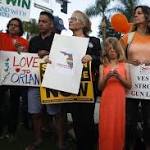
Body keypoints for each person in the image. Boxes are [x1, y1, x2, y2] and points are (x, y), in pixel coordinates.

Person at [26, 11, 66, 150]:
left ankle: (61, 142)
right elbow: (27, 60)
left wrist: (49, 54)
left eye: (44, 21)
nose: (41, 24)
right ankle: (38, 140)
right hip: (34, 81)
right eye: (40, 21)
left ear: (51, 24)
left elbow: (65, 59)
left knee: (56, 113)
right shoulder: (33, 40)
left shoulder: (59, 40)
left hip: (53, 81)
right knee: (35, 112)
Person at [63, 10, 101, 150]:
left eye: (74, 19)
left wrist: (93, 58)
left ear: (83, 23)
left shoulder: (94, 41)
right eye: (70, 19)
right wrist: (50, 59)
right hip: (70, 86)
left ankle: (90, 145)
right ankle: (80, 145)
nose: (70, 21)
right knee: (76, 119)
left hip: (88, 86)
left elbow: (102, 59)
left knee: (88, 119)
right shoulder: (64, 41)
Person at [120, 5, 150, 150]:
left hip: (148, 86)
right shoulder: (127, 37)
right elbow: (117, 58)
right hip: (130, 83)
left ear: (147, 17)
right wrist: (128, 61)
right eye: (135, 13)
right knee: (129, 120)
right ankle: (129, 145)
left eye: (139, 13)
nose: (135, 15)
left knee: (149, 120)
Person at [98, 37, 132, 150]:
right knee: (106, 126)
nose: (112, 51)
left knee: (118, 125)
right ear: (106, 51)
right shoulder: (103, 66)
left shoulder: (125, 66)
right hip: (106, 101)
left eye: (114, 48)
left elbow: (129, 85)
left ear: (118, 50)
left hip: (119, 101)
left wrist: (119, 77)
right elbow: (100, 87)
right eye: (109, 48)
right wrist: (107, 77)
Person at [0, 18, 29, 140]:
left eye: (16, 25)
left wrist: (22, 52)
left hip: (16, 78)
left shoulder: (24, 41)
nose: (13, 27)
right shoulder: (1, 36)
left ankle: (12, 131)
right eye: (11, 25)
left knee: (14, 104)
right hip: (1, 76)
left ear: (20, 28)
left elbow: (27, 59)